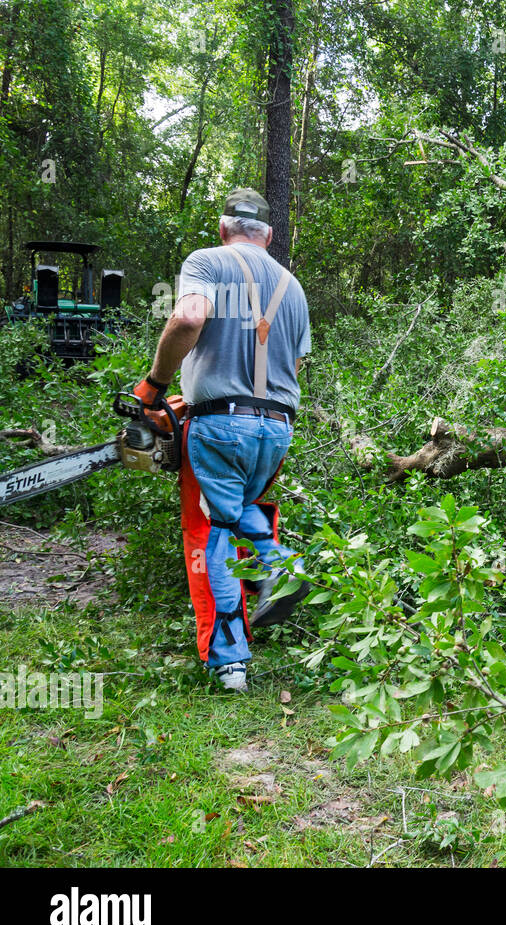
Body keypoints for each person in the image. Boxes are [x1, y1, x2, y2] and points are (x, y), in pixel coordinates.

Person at [131, 188, 311, 692]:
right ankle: (277, 566)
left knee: (211, 534)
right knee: (234, 514)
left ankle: (231, 661)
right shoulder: (292, 288)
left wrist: (158, 387)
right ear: (269, 235)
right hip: (275, 430)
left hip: (220, 428)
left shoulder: (207, 261)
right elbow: (292, 367)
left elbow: (188, 318)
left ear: (223, 227)